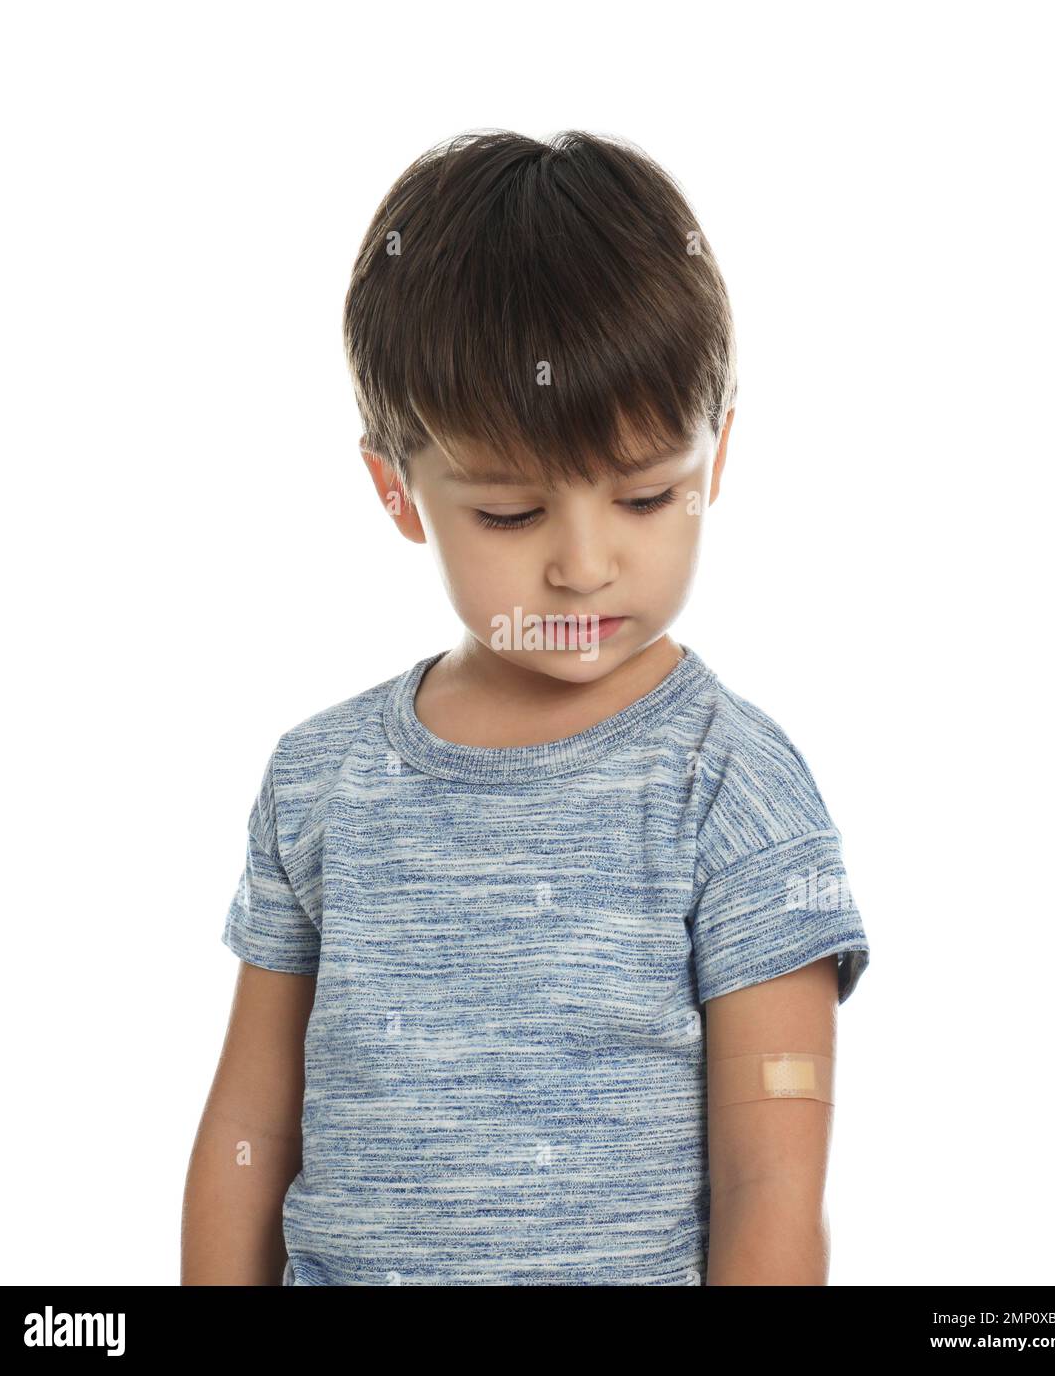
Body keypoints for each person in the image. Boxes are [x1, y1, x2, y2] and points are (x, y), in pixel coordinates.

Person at [181, 129, 871, 1286]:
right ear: (396, 490)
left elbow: (772, 1192)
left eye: (647, 494)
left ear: (716, 459)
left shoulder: (730, 787)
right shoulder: (319, 781)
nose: (586, 564)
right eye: (511, 514)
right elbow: (248, 1132)